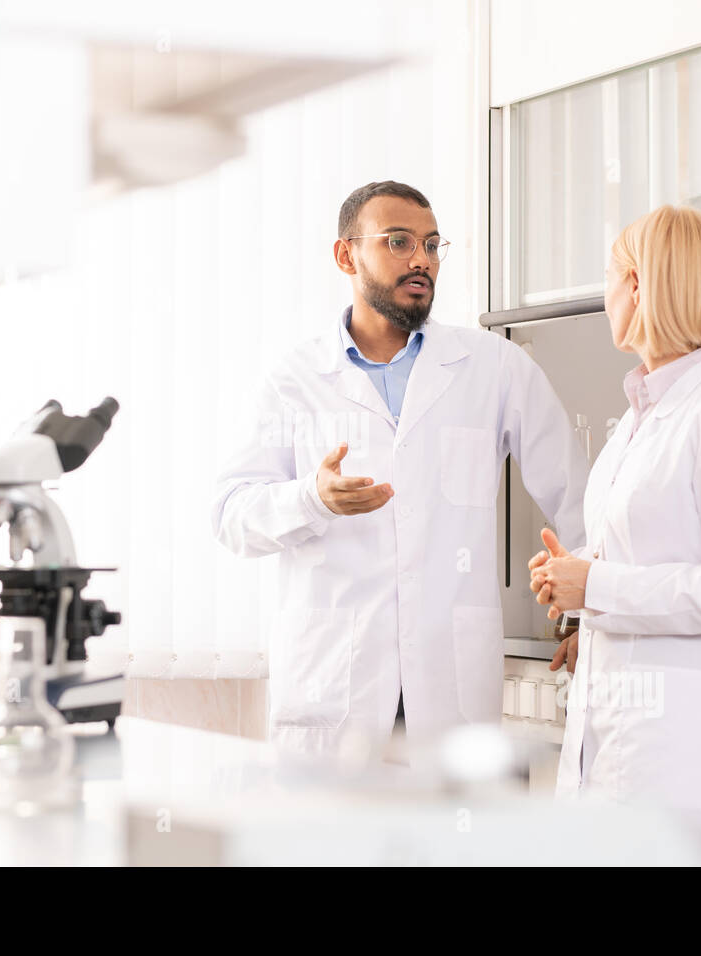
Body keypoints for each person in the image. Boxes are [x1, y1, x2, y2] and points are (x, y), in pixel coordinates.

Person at [212, 180, 586, 755]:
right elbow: (232, 517)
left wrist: (584, 609)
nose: (421, 260)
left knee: (447, 842)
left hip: (448, 683)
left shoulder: (495, 367)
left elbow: (575, 492)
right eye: (398, 242)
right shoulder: (294, 380)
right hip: (334, 686)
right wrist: (313, 499)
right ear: (346, 255)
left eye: (433, 246)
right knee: (333, 844)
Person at [529, 204, 701, 831]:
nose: (606, 294)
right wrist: (576, 572)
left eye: (612, 277)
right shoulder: (642, 416)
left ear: (641, 286)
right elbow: (645, 548)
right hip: (614, 731)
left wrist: (595, 585)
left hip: (682, 745)